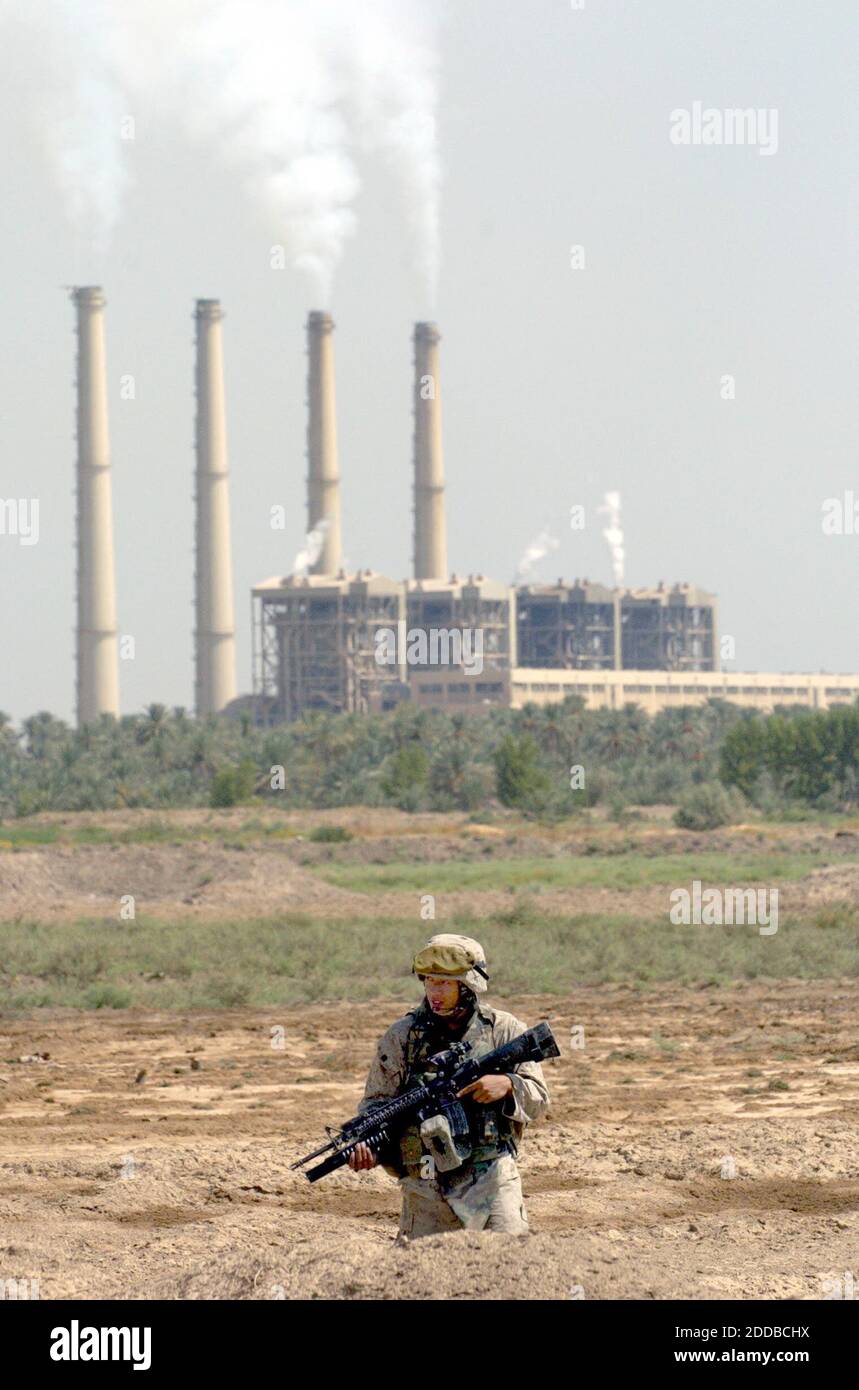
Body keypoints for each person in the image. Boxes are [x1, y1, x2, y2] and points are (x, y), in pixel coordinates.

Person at [348, 933, 550, 1239]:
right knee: (419, 1278)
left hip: (491, 1179)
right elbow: (376, 1106)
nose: (434, 992)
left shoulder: (504, 1029)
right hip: (427, 1187)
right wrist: (366, 1145)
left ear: (468, 986)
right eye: (429, 981)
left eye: (444, 983)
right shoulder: (403, 1037)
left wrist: (508, 1084)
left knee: (510, 1268)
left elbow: (538, 1099)